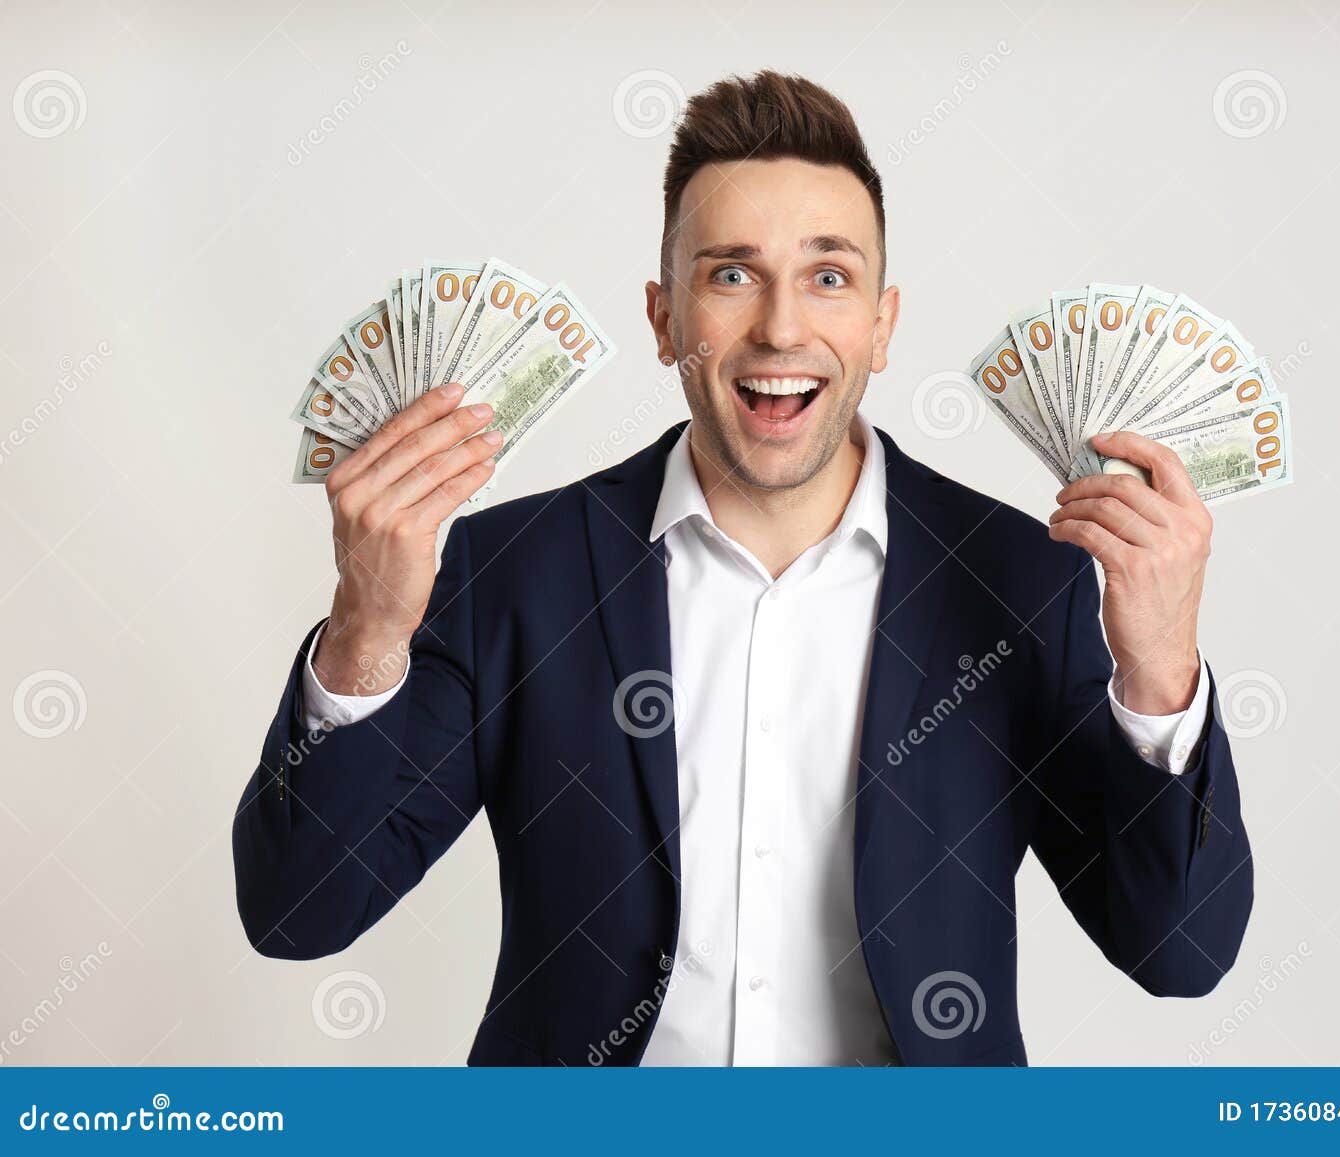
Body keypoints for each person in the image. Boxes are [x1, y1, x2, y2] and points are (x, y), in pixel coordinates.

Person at [232, 70, 1252, 1066]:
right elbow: (299, 910)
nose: (779, 326)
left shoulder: (1028, 582)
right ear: (665, 317)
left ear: (881, 324)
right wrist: (367, 629)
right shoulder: (510, 572)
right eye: (730, 273)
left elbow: (1179, 950)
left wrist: (1161, 673)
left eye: (828, 275)